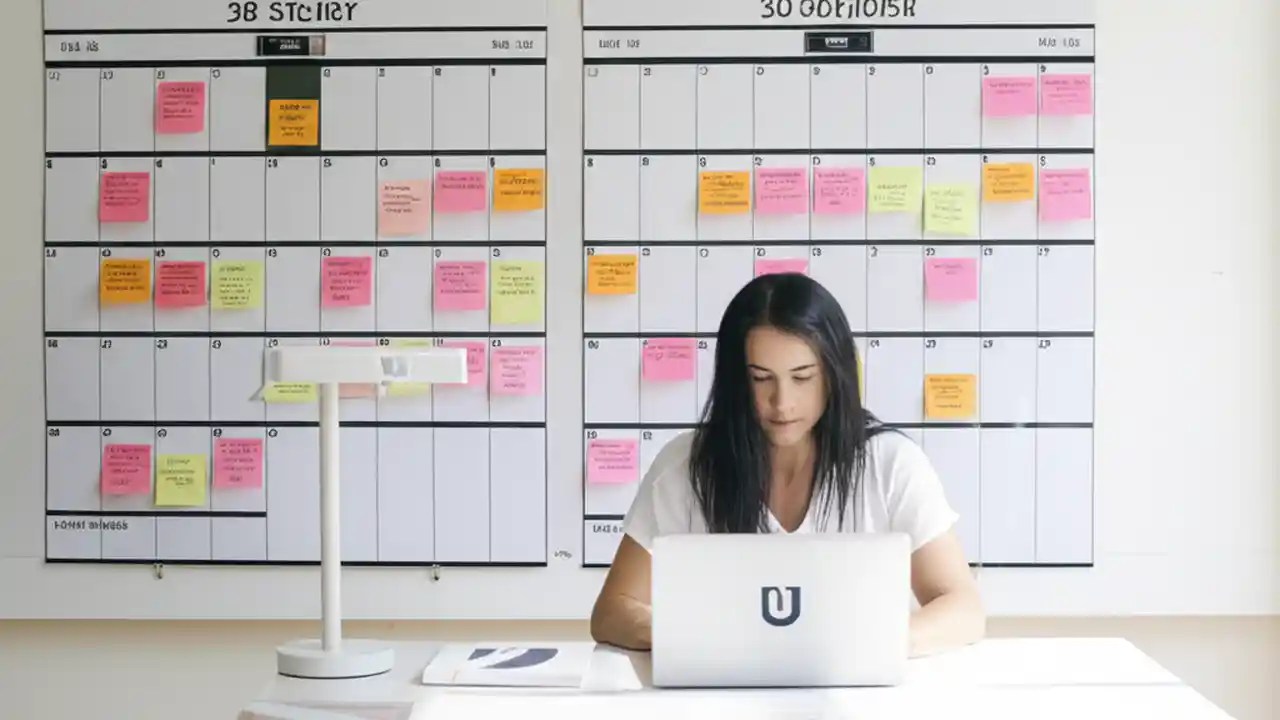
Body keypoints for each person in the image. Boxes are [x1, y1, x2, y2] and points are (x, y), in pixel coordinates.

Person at [589, 273, 985, 656]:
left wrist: (883, 642)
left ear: (834, 373)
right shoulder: (685, 467)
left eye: (802, 377)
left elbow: (963, 608)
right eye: (761, 379)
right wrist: (683, 635)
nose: (782, 403)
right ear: (735, 381)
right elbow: (612, 610)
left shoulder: (889, 465)